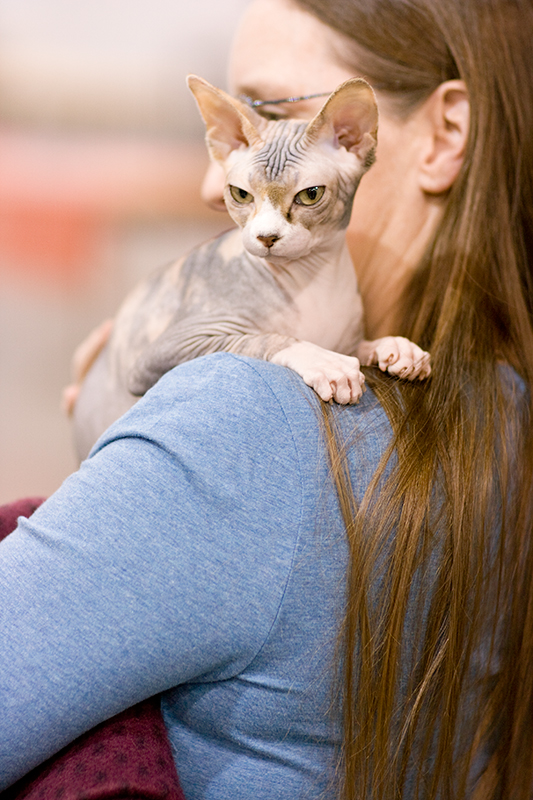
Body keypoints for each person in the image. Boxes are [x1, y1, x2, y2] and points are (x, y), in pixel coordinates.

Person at [1, 1, 532, 799]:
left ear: (443, 135)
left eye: (276, 111)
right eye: (232, 136)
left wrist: (175, 439)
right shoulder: (508, 418)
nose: (216, 183)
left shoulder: (246, 424)